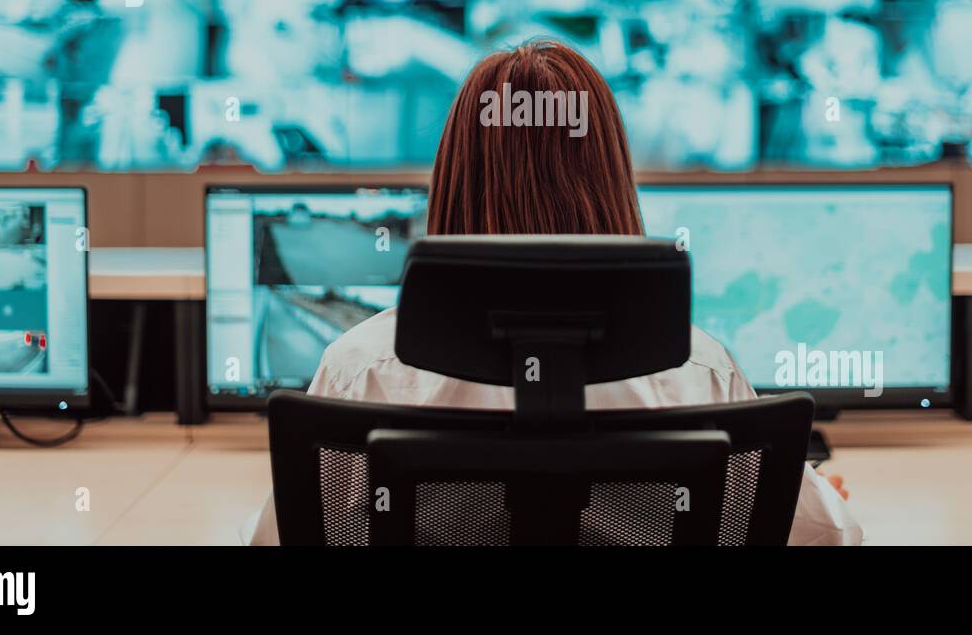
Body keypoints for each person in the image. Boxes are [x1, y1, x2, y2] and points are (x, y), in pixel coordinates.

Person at [249, 40, 861, 545]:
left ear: (456, 176)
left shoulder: (364, 369)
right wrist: (812, 501)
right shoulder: (692, 368)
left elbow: (279, 540)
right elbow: (834, 539)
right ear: (611, 178)